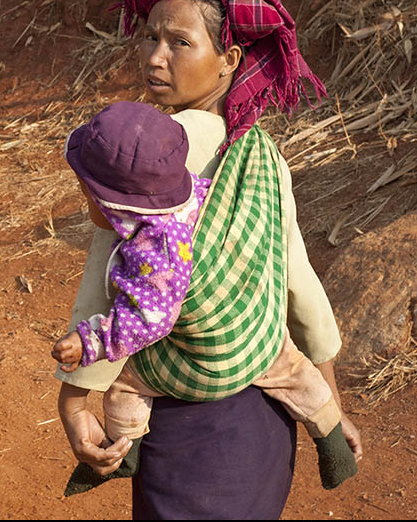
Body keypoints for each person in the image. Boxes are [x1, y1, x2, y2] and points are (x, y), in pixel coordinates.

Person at [55, 0, 363, 519]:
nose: (156, 57)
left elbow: (111, 289)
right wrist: (329, 403)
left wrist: (75, 401)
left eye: (180, 42)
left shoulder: (145, 158)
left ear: (229, 60)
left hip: (185, 422)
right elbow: (299, 287)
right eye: (149, 37)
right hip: (264, 423)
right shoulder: (265, 154)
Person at [51, 100, 356, 496]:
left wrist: (89, 345)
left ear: (114, 204)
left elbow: (148, 319)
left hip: (207, 369)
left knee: (126, 385)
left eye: (87, 194)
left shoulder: (150, 249)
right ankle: (333, 445)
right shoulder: (216, 174)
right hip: (258, 339)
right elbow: (297, 278)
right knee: (297, 372)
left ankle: (122, 454)